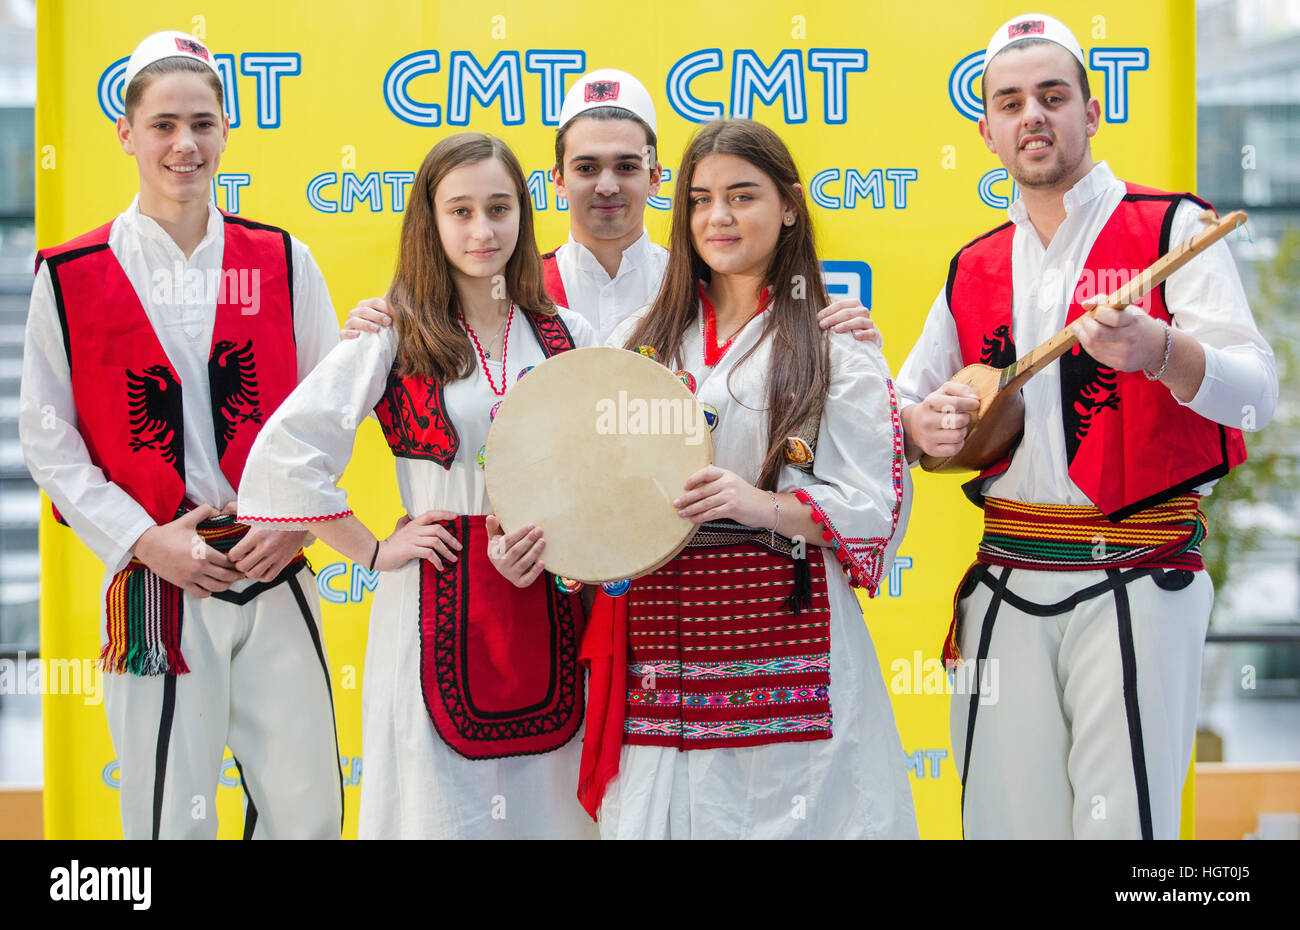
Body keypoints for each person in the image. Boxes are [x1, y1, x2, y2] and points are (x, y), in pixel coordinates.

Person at [896, 12, 1278, 839]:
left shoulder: (1175, 228)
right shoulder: (974, 264)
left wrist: (1159, 349)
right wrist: (925, 427)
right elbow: (904, 410)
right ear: (988, 130)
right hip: (1006, 573)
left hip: (1139, 574)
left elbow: (1257, 397)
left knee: (1125, 829)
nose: (1032, 114)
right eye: (1010, 101)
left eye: (1052, 94)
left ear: (1091, 110)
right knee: (1004, 824)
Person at [20, 31, 343, 839]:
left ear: (226, 130)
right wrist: (140, 539)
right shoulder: (70, 274)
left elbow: (331, 406)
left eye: (201, 122)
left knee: (309, 810)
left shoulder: (283, 258)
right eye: (163, 124)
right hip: (158, 577)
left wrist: (300, 520)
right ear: (126, 133)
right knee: (171, 812)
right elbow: (46, 436)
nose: (184, 144)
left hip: (274, 563)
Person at [236, 132, 599, 839]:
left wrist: (570, 540)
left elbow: (606, 471)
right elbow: (285, 454)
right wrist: (370, 552)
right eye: (459, 210)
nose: (481, 229)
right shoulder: (393, 334)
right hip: (437, 595)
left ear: (524, 214)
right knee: (441, 810)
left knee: (552, 808)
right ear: (429, 222)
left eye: (498, 208)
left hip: (548, 593)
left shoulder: (567, 333)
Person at [566, 118, 917, 839]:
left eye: (741, 196)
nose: (717, 217)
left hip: (788, 648)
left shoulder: (833, 343)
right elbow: (588, 483)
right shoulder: (636, 339)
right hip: (660, 656)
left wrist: (762, 505)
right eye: (699, 200)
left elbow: (876, 513)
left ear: (790, 204)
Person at [342, 69, 879, 344]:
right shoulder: (505, 291)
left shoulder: (707, 288)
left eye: (626, 167)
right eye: (585, 168)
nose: (606, 186)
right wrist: (386, 325)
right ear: (555, 180)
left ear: (656, 177)